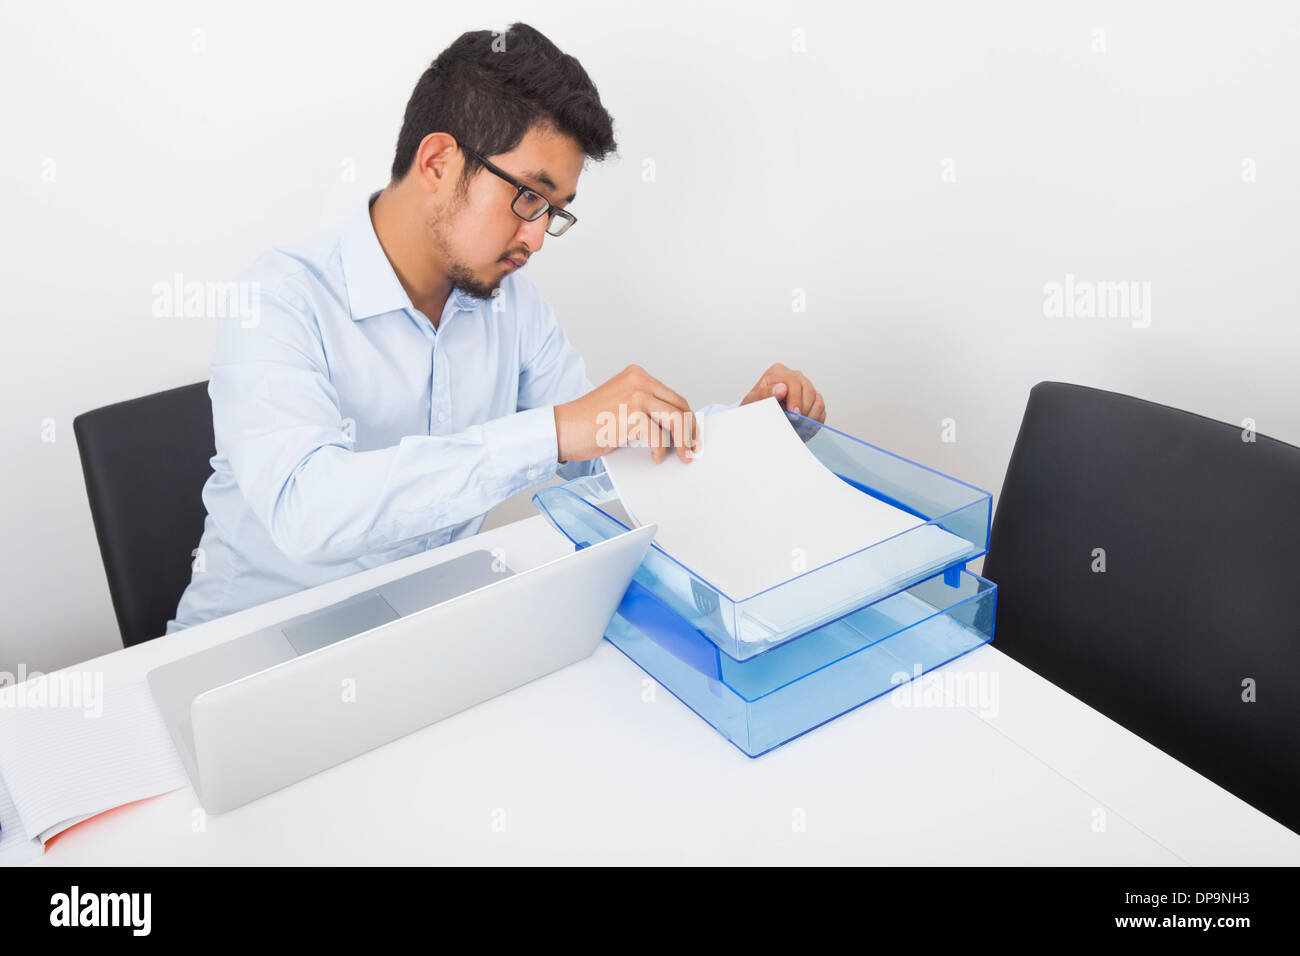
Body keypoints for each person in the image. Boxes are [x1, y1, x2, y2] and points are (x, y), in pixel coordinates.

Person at [167, 22, 826, 632]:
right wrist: (554, 431)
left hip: (424, 638)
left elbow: (605, 464)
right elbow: (305, 510)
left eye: (555, 212)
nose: (537, 237)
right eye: (528, 197)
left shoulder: (514, 305)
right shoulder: (280, 297)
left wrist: (746, 433)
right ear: (437, 163)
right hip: (242, 650)